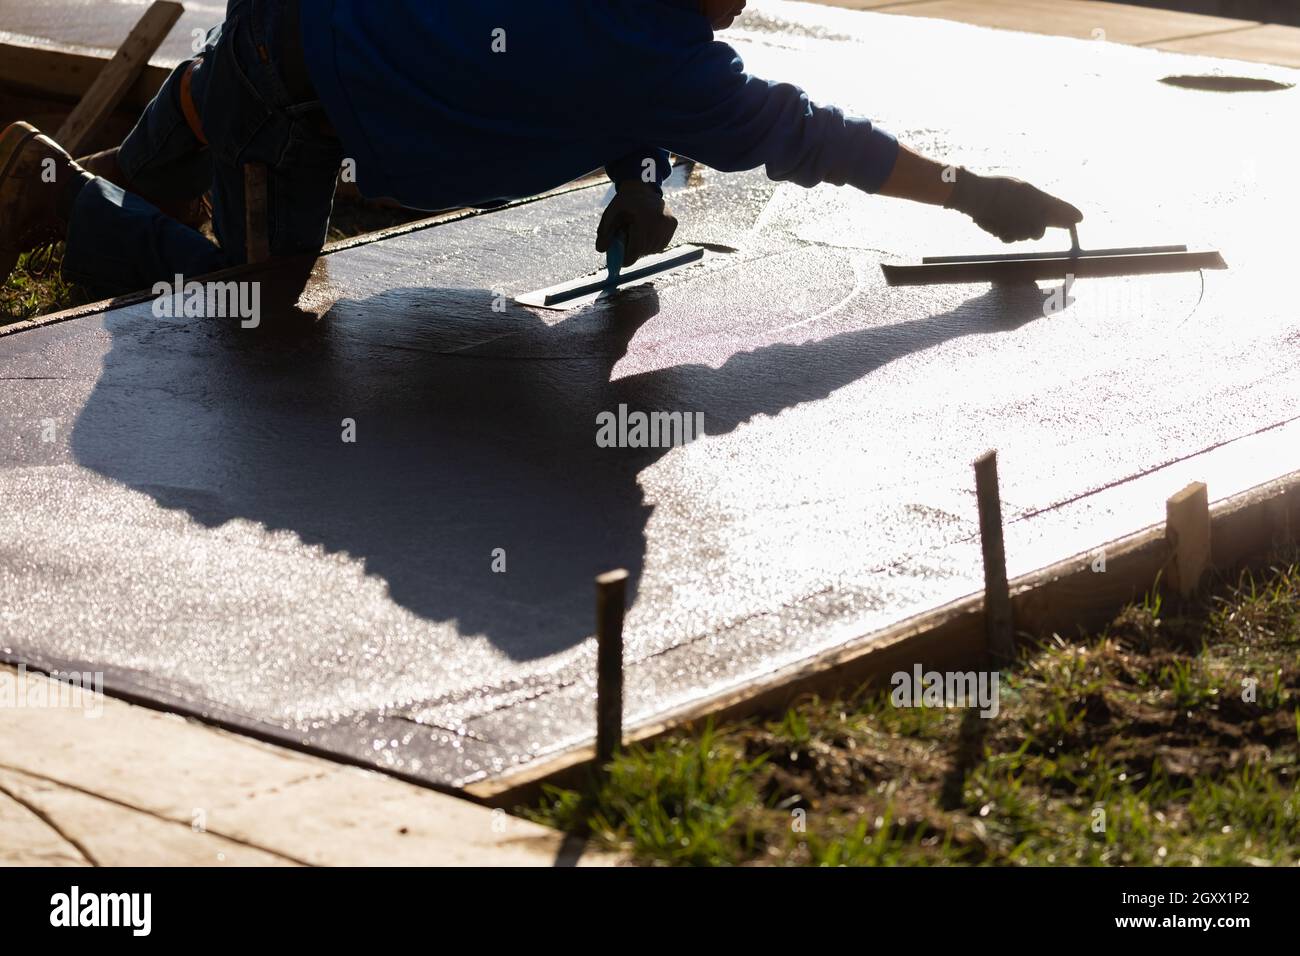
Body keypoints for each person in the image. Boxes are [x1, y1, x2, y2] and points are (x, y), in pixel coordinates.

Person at [0, 0, 1081, 300]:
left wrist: (640, 175)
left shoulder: (649, 48)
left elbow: (598, 79)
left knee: (214, 121)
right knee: (265, 308)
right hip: (293, 91)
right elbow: (803, 136)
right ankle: (57, 194)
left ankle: (172, 146)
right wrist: (963, 190)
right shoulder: (667, 65)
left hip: (287, 36)